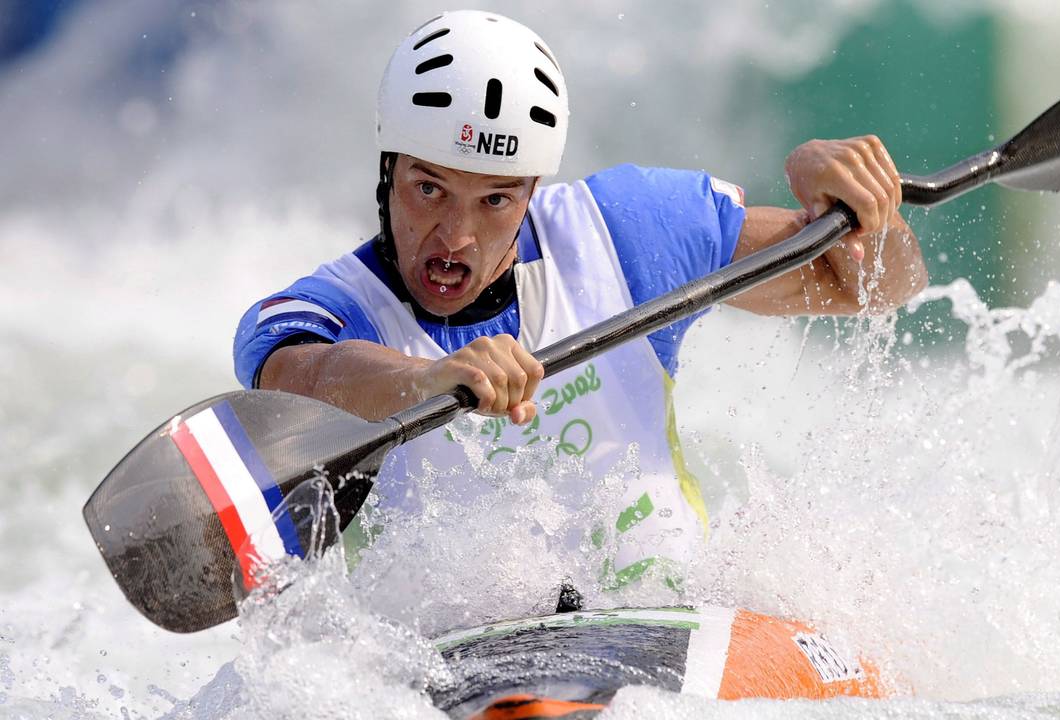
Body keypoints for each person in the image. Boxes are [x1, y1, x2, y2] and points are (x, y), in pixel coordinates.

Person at [233, 9, 927, 593]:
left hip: (669, 642)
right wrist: (424, 379)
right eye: (429, 188)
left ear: (533, 189)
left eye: (496, 199)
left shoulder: (630, 231)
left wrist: (857, 204)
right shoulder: (332, 308)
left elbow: (883, 285)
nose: (455, 236)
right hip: (460, 672)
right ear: (388, 170)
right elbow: (297, 380)